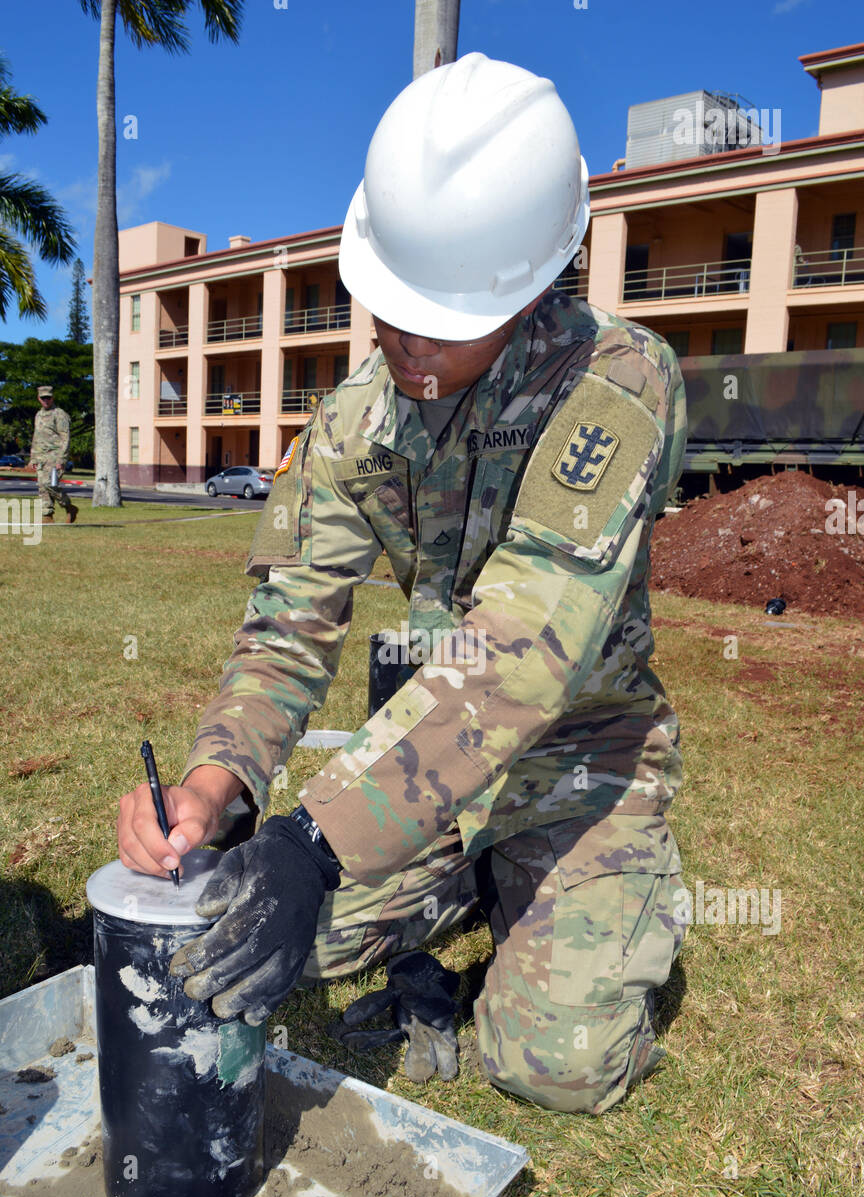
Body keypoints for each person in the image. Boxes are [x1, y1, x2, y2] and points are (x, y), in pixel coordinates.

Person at [117, 53, 689, 1115]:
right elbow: (285, 637)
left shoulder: (621, 384)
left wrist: (312, 839)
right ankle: (468, 882)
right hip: (424, 768)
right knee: (250, 931)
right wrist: (218, 784)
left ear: (526, 290)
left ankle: (606, 883)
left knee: (556, 1064)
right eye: (386, 305)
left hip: (581, 754)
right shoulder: (346, 428)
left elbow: (525, 647)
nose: (397, 338)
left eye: (433, 319)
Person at [29, 386, 78, 523]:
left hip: (55, 455)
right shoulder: (38, 415)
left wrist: (61, 459)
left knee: (50, 484)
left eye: (48, 398)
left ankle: (68, 506)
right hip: (41, 457)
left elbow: (65, 438)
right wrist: (33, 457)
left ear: (52, 398)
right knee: (42, 486)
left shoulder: (59, 414)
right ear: (39, 398)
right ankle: (47, 515)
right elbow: (36, 437)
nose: (46, 400)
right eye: (43, 398)